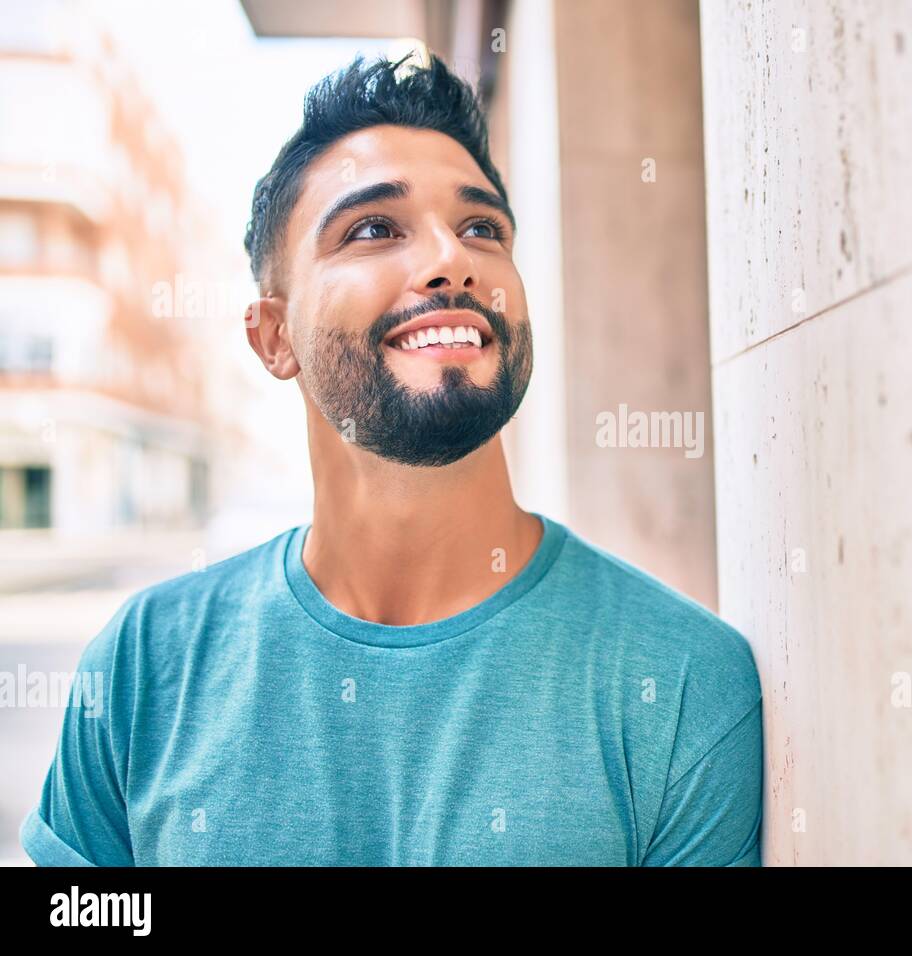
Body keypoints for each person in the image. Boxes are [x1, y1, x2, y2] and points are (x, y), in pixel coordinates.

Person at [20, 52, 762, 866]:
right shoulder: (142, 670)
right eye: (374, 228)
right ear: (274, 337)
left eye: (482, 228)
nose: (453, 258)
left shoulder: (683, 682)